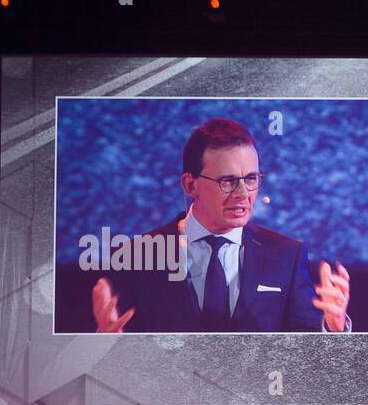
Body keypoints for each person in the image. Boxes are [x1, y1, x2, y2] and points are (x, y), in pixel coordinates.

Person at [90, 117, 351, 333]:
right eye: (227, 181)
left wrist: (333, 329)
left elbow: (308, 349)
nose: (243, 193)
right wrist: (104, 348)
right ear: (191, 185)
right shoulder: (137, 256)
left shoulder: (286, 255)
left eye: (251, 179)